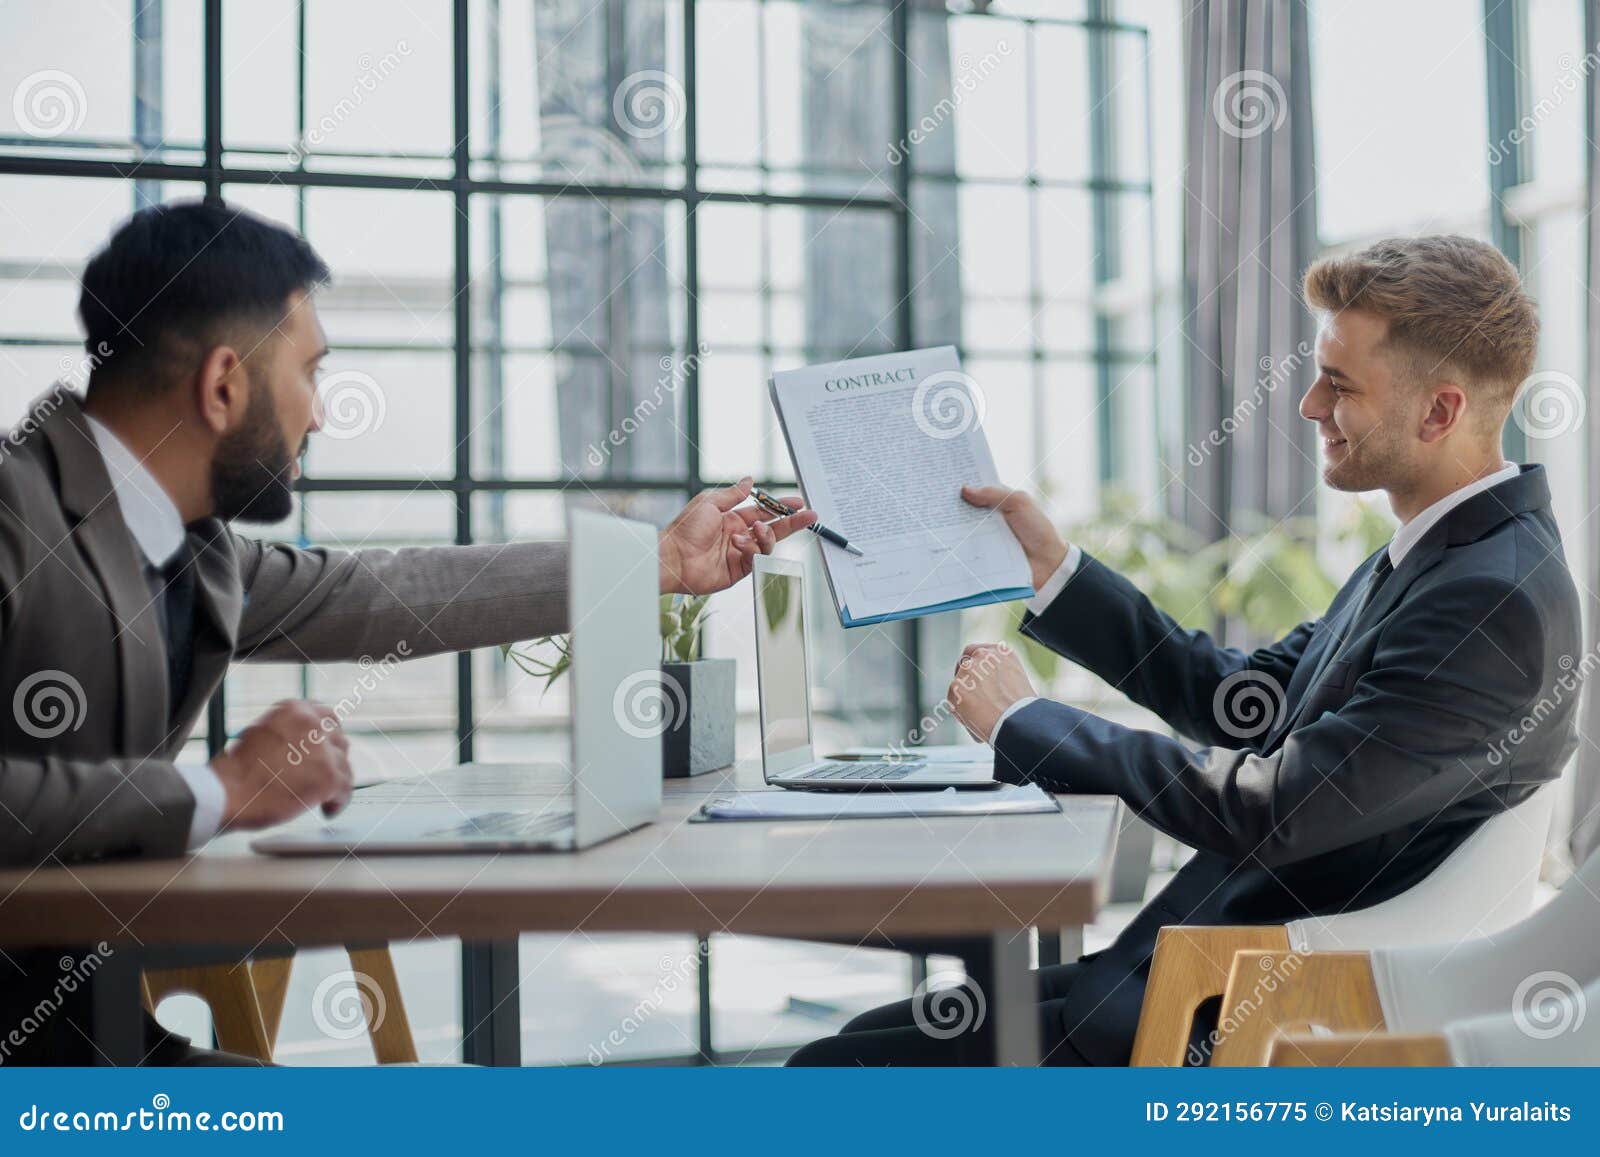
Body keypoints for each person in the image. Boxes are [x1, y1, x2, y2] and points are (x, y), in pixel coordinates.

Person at [0, 199, 815, 1065]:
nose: (318, 413)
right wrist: (222, 791)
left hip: (92, 1040)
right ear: (224, 384)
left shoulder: (193, 547)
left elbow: (385, 593)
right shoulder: (17, 521)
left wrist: (655, 562)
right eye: (310, 373)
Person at [790, 234, 1581, 1066]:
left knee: (830, 1070)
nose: (1310, 405)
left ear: (1441, 411)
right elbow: (1242, 700)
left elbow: (1271, 808)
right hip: (1177, 971)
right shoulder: (1446, 556)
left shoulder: (1491, 600)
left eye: (1339, 385)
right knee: (848, 1048)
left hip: (1216, 1013)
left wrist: (1027, 721)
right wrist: (1054, 570)